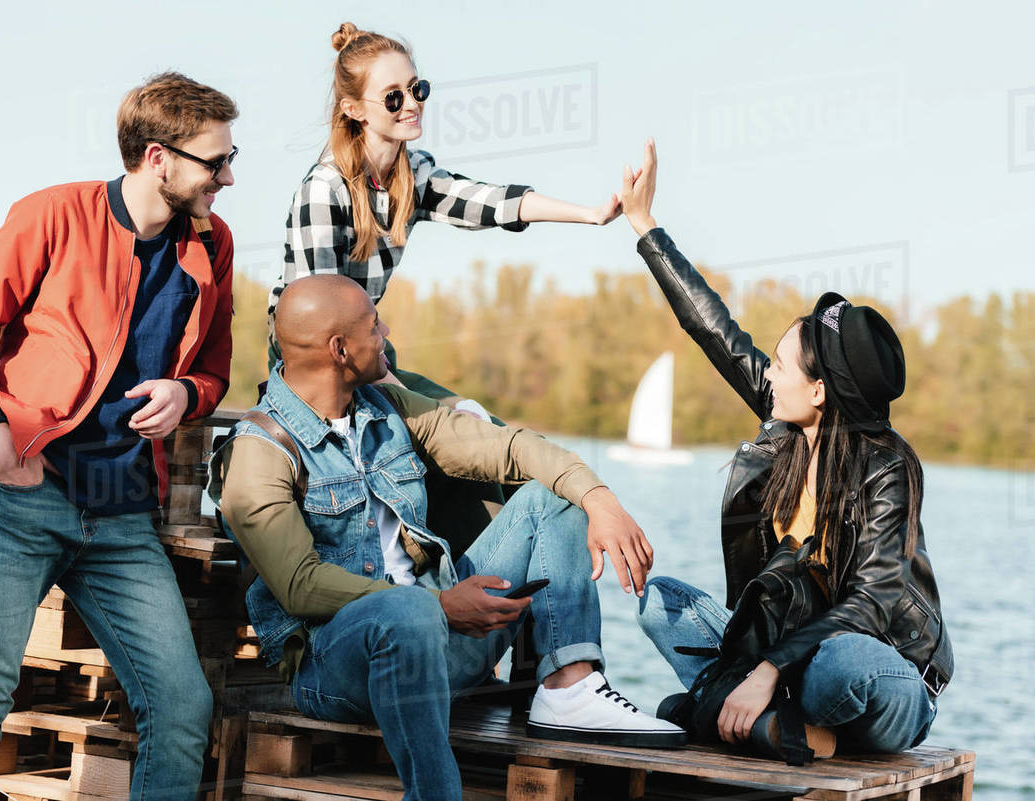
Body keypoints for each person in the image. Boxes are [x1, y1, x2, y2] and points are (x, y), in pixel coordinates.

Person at [211, 274, 685, 801]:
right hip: (337, 674)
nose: (386, 332)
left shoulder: (386, 407)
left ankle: (569, 687)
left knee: (551, 495)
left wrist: (599, 499)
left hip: (446, 646)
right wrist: (438, 606)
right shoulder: (259, 450)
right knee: (406, 612)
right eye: (374, 324)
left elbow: (508, 448)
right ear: (339, 349)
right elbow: (300, 586)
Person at [0, 72, 238, 799]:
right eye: (215, 162)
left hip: (123, 516)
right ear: (158, 158)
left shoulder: (210, 245)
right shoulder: (52, 216)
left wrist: (187, 392)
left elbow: (215, 370)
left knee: (183, 704)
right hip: (23, 498)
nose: (227, 176)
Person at [619, 141, 953, 757]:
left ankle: (731, 711)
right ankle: (777, 725)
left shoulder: (888, 466)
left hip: (885, 667)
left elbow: (873, 602)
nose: (765, 373)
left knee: (839, 667)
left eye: (777, 363)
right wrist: (646, 226)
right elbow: (713, 329)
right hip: (790, 653)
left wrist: (766, 670)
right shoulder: (786, 430)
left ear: (820, 389)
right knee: (662, 604)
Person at [270, 21, 623, 387]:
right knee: (438, 423)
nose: (412, 105)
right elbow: (320, 321)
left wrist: (591, 215)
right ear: (354, 109)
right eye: (394, 97)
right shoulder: (324, 191)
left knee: (475, 419)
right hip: (308, 358)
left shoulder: (414, 176)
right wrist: (400, 393)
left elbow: (494, 203)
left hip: (365, 345)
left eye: (416, 89)